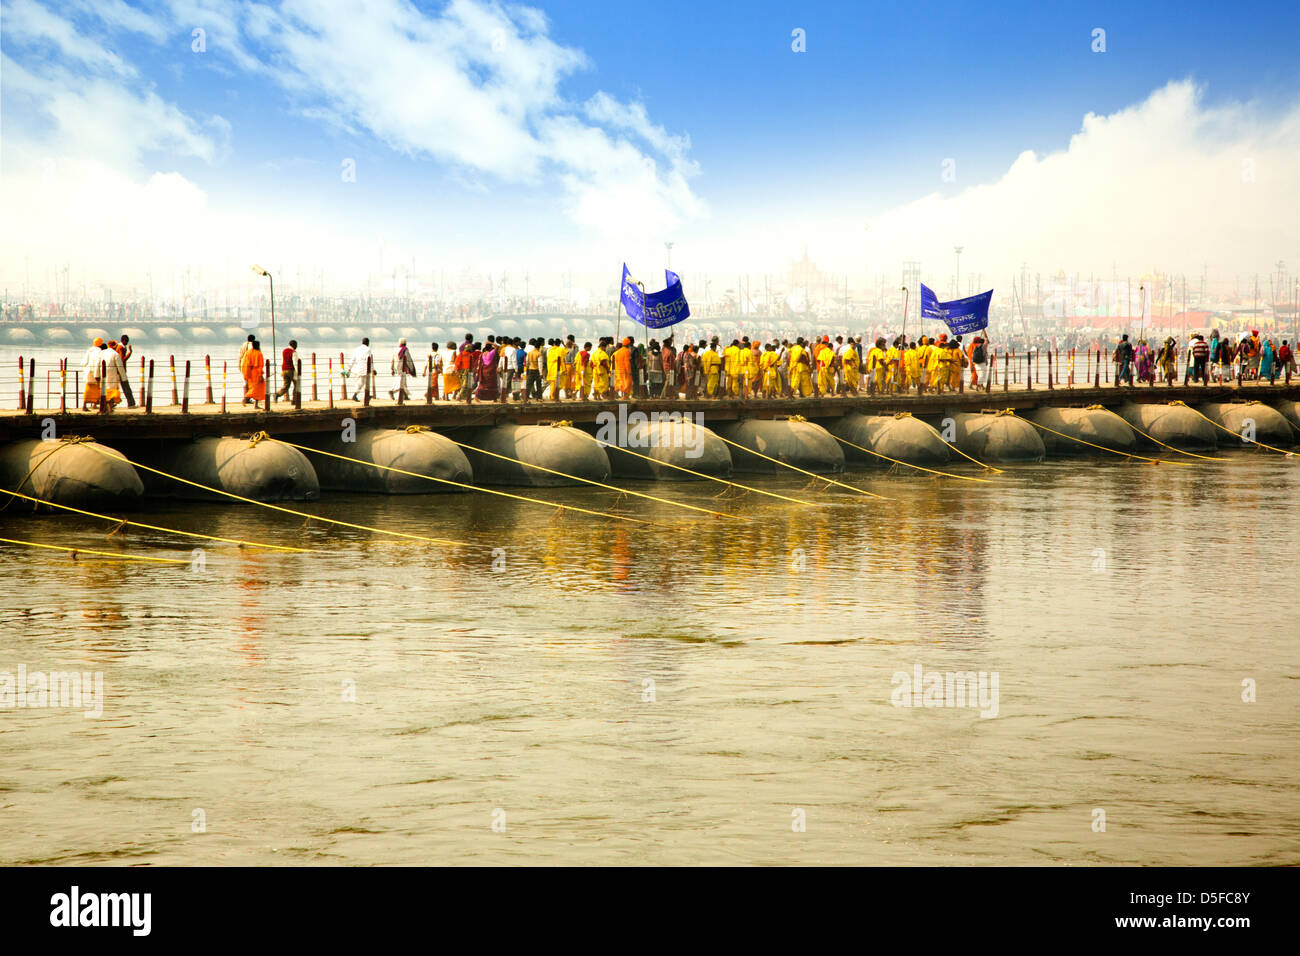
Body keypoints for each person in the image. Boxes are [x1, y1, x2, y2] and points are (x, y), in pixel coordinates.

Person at [241, 339, 266, 407]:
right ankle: (245, 398)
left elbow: (245, 363)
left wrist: (246, 373)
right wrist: (260, 375)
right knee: (256, 388)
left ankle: (256, 404)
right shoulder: (259, 353)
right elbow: (260, 365)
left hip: (250, 372)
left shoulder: (248, 353)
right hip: (257, 373)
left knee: (253, 387)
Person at [113, 334, 136, 407]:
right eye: (126, 341)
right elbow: (123, 359)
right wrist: (130, 352)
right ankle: (131, 403)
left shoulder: (120, 347)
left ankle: (113, 402)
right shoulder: (121, 348)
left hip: (119, 370)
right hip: (121, 370)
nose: (126, 343)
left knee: (119, 386)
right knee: (126, 387)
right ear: (122, 340)